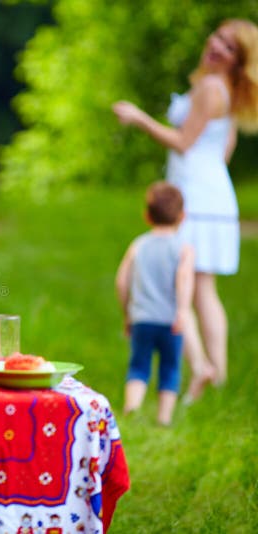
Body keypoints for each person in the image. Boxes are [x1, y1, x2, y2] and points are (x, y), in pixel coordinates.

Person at [112, 18, 258, 399]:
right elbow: (222, 150)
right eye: (219, 38)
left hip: (194, 198)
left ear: (237, 60)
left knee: (185, 288)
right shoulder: (224, 88)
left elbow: (183, 142)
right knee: (202, 290)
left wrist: (138, 118)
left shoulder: (211, 87)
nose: (217, 47)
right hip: (213, 195)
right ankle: (216, 375)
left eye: (229, 47)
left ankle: (203, 369)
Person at [115, 182, 194, 425]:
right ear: (182, 216)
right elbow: (184, 280)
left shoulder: (138, 245)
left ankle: (132, 407)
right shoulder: (183, 249)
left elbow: (121, 281)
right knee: (170, 367)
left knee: (139, 365)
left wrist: (128, 313)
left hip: (142, 319)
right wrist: (182, 311)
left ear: (147, 216)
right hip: (170, 320)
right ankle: (164, 418)